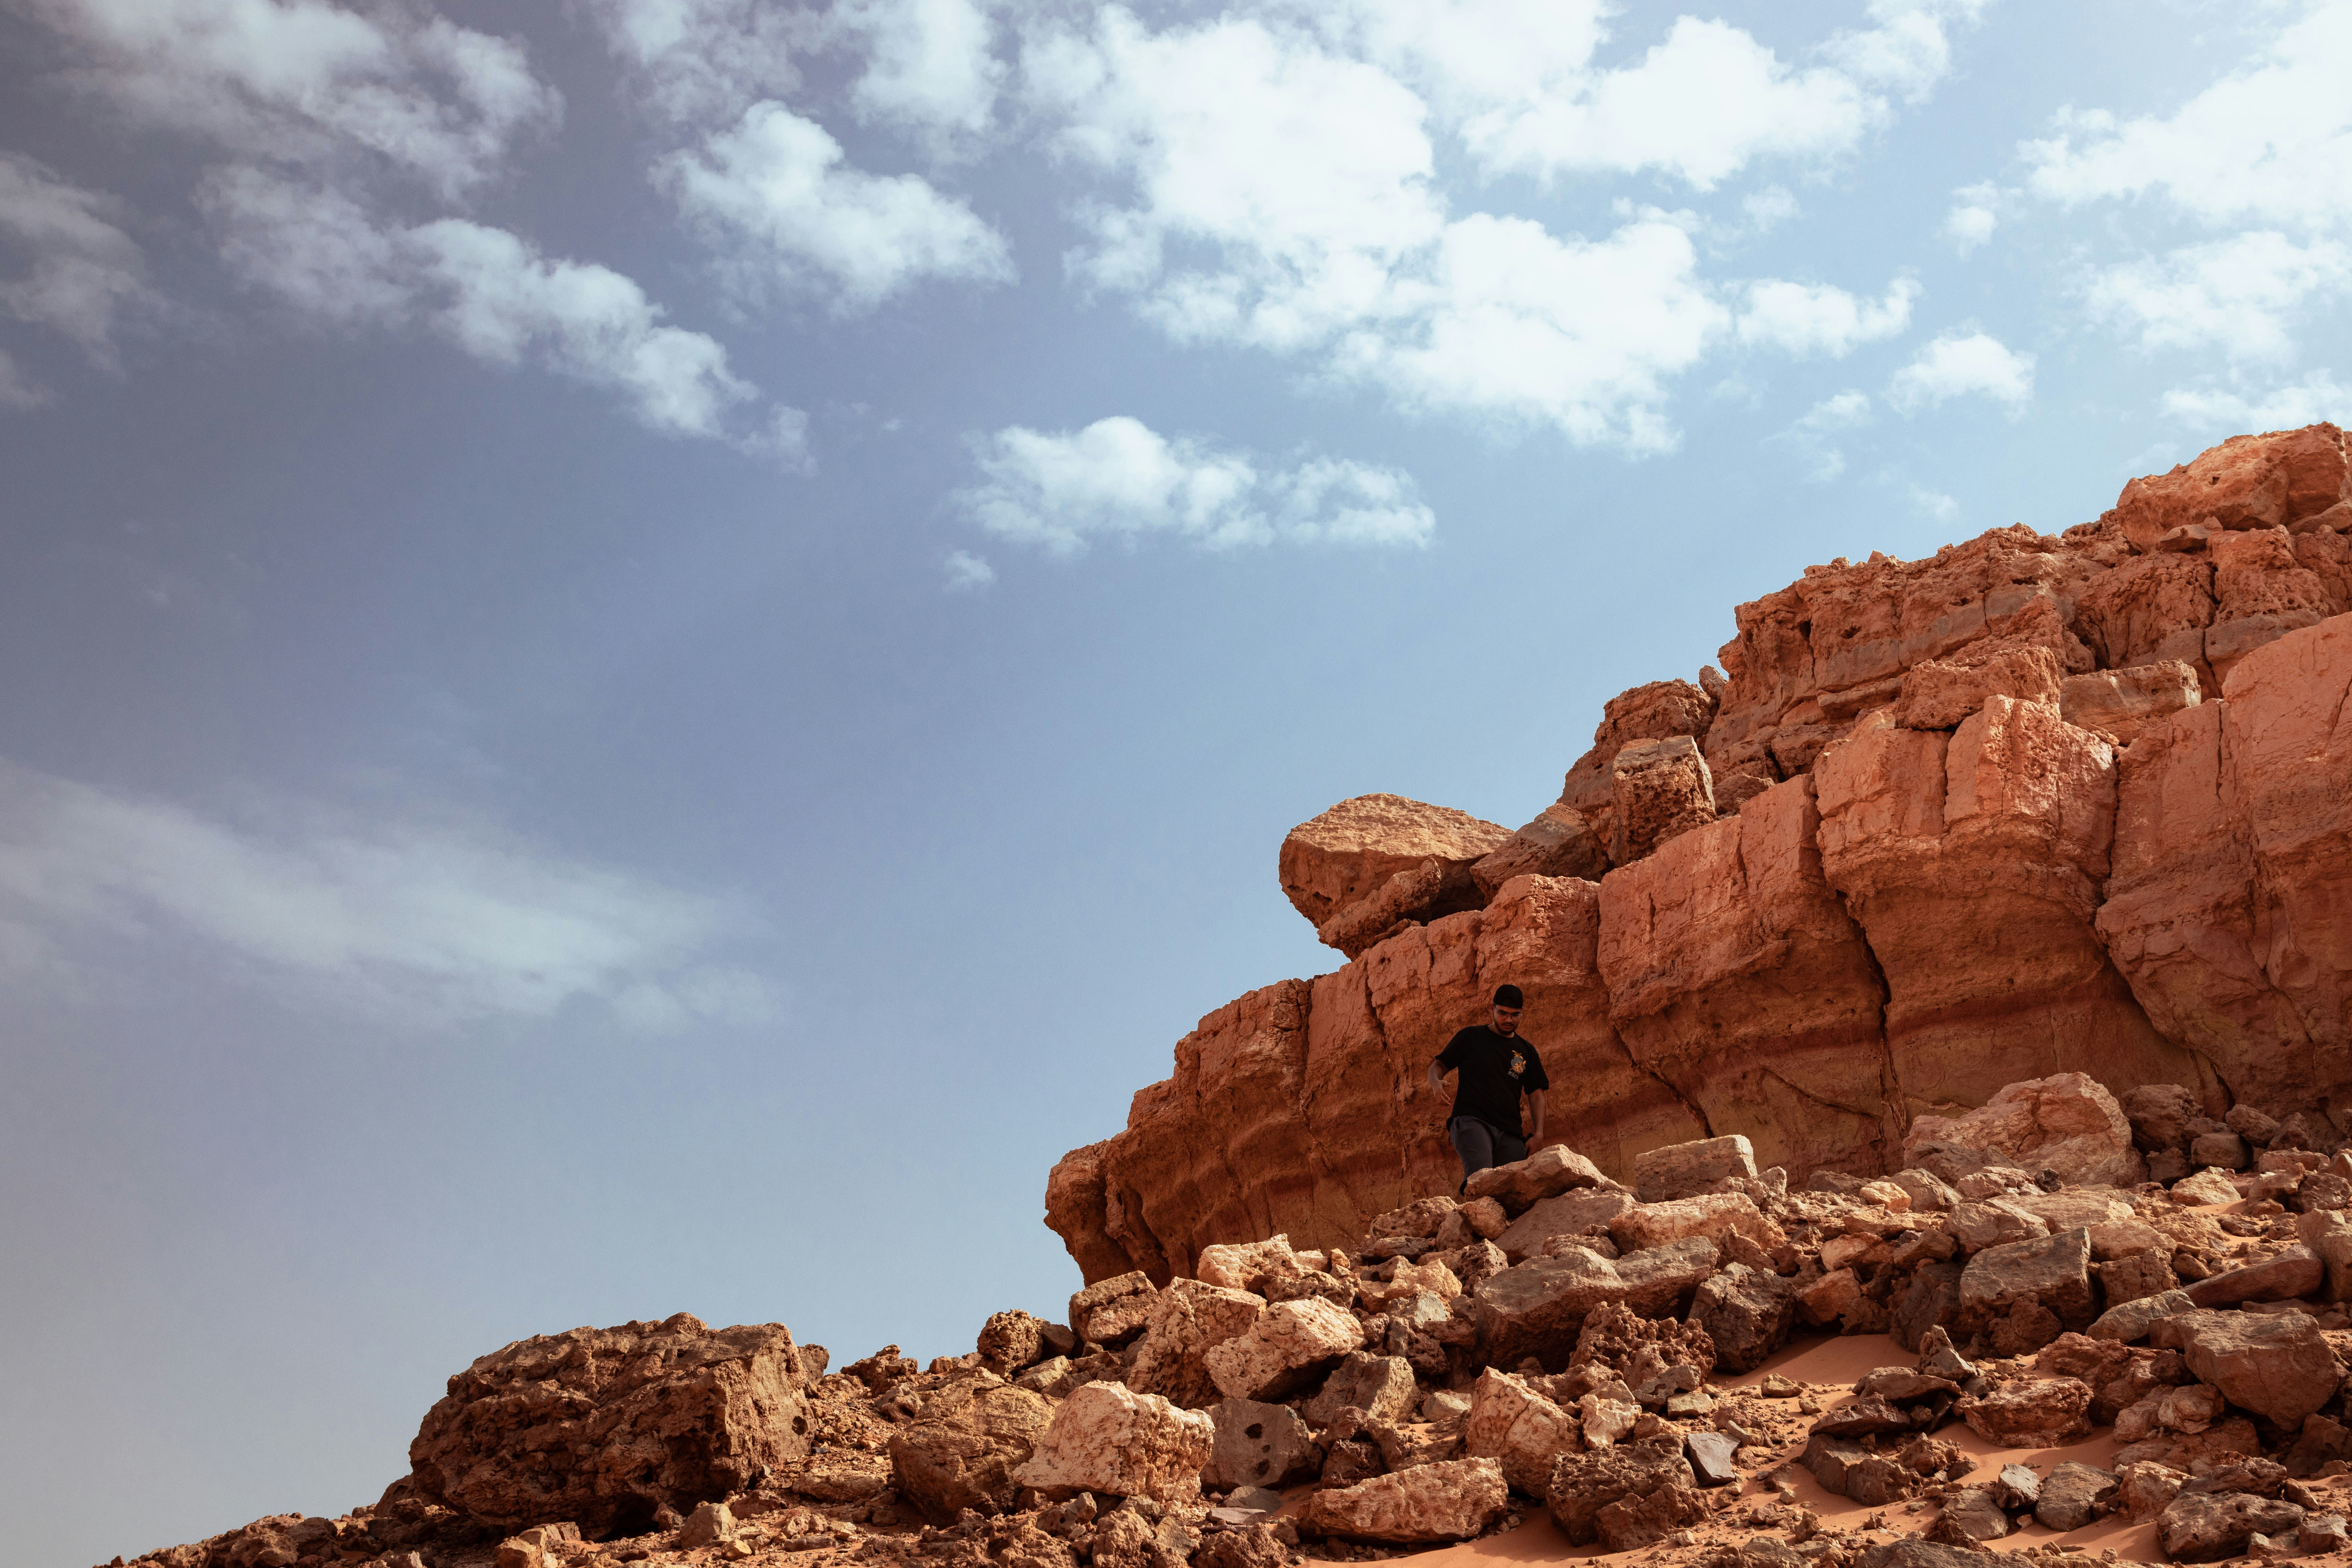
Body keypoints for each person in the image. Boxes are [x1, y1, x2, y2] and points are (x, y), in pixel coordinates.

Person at [1427, 983, 1548, 1187]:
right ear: (1492, 1009)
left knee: (1513, 1189)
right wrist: (1435, 1083)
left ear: (1522, 1014)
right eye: (1503, 1013)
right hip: (1472, 1122)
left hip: (1510, 1132)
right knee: (1481, 1181)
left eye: (1514, 1015)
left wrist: (1539, 1135)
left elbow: (1536, 1094)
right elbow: (1439, 1065)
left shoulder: (1526, 1051)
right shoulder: (1471, 1037)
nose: (1509, 1020)